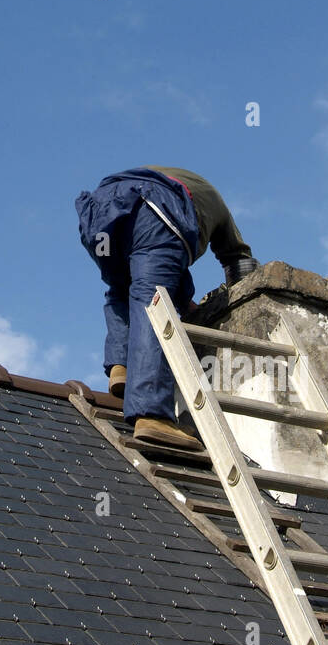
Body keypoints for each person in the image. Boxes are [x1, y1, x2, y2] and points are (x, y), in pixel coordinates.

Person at [75, 166, 258, 450]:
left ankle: (121, 366)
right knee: (154, 299)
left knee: (123, 288)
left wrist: (188, 305)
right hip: (156, 204)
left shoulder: (180, 181)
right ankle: (151, 415)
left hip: (99, 211)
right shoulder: (219, 210)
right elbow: (239, 260)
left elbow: (167, 276)